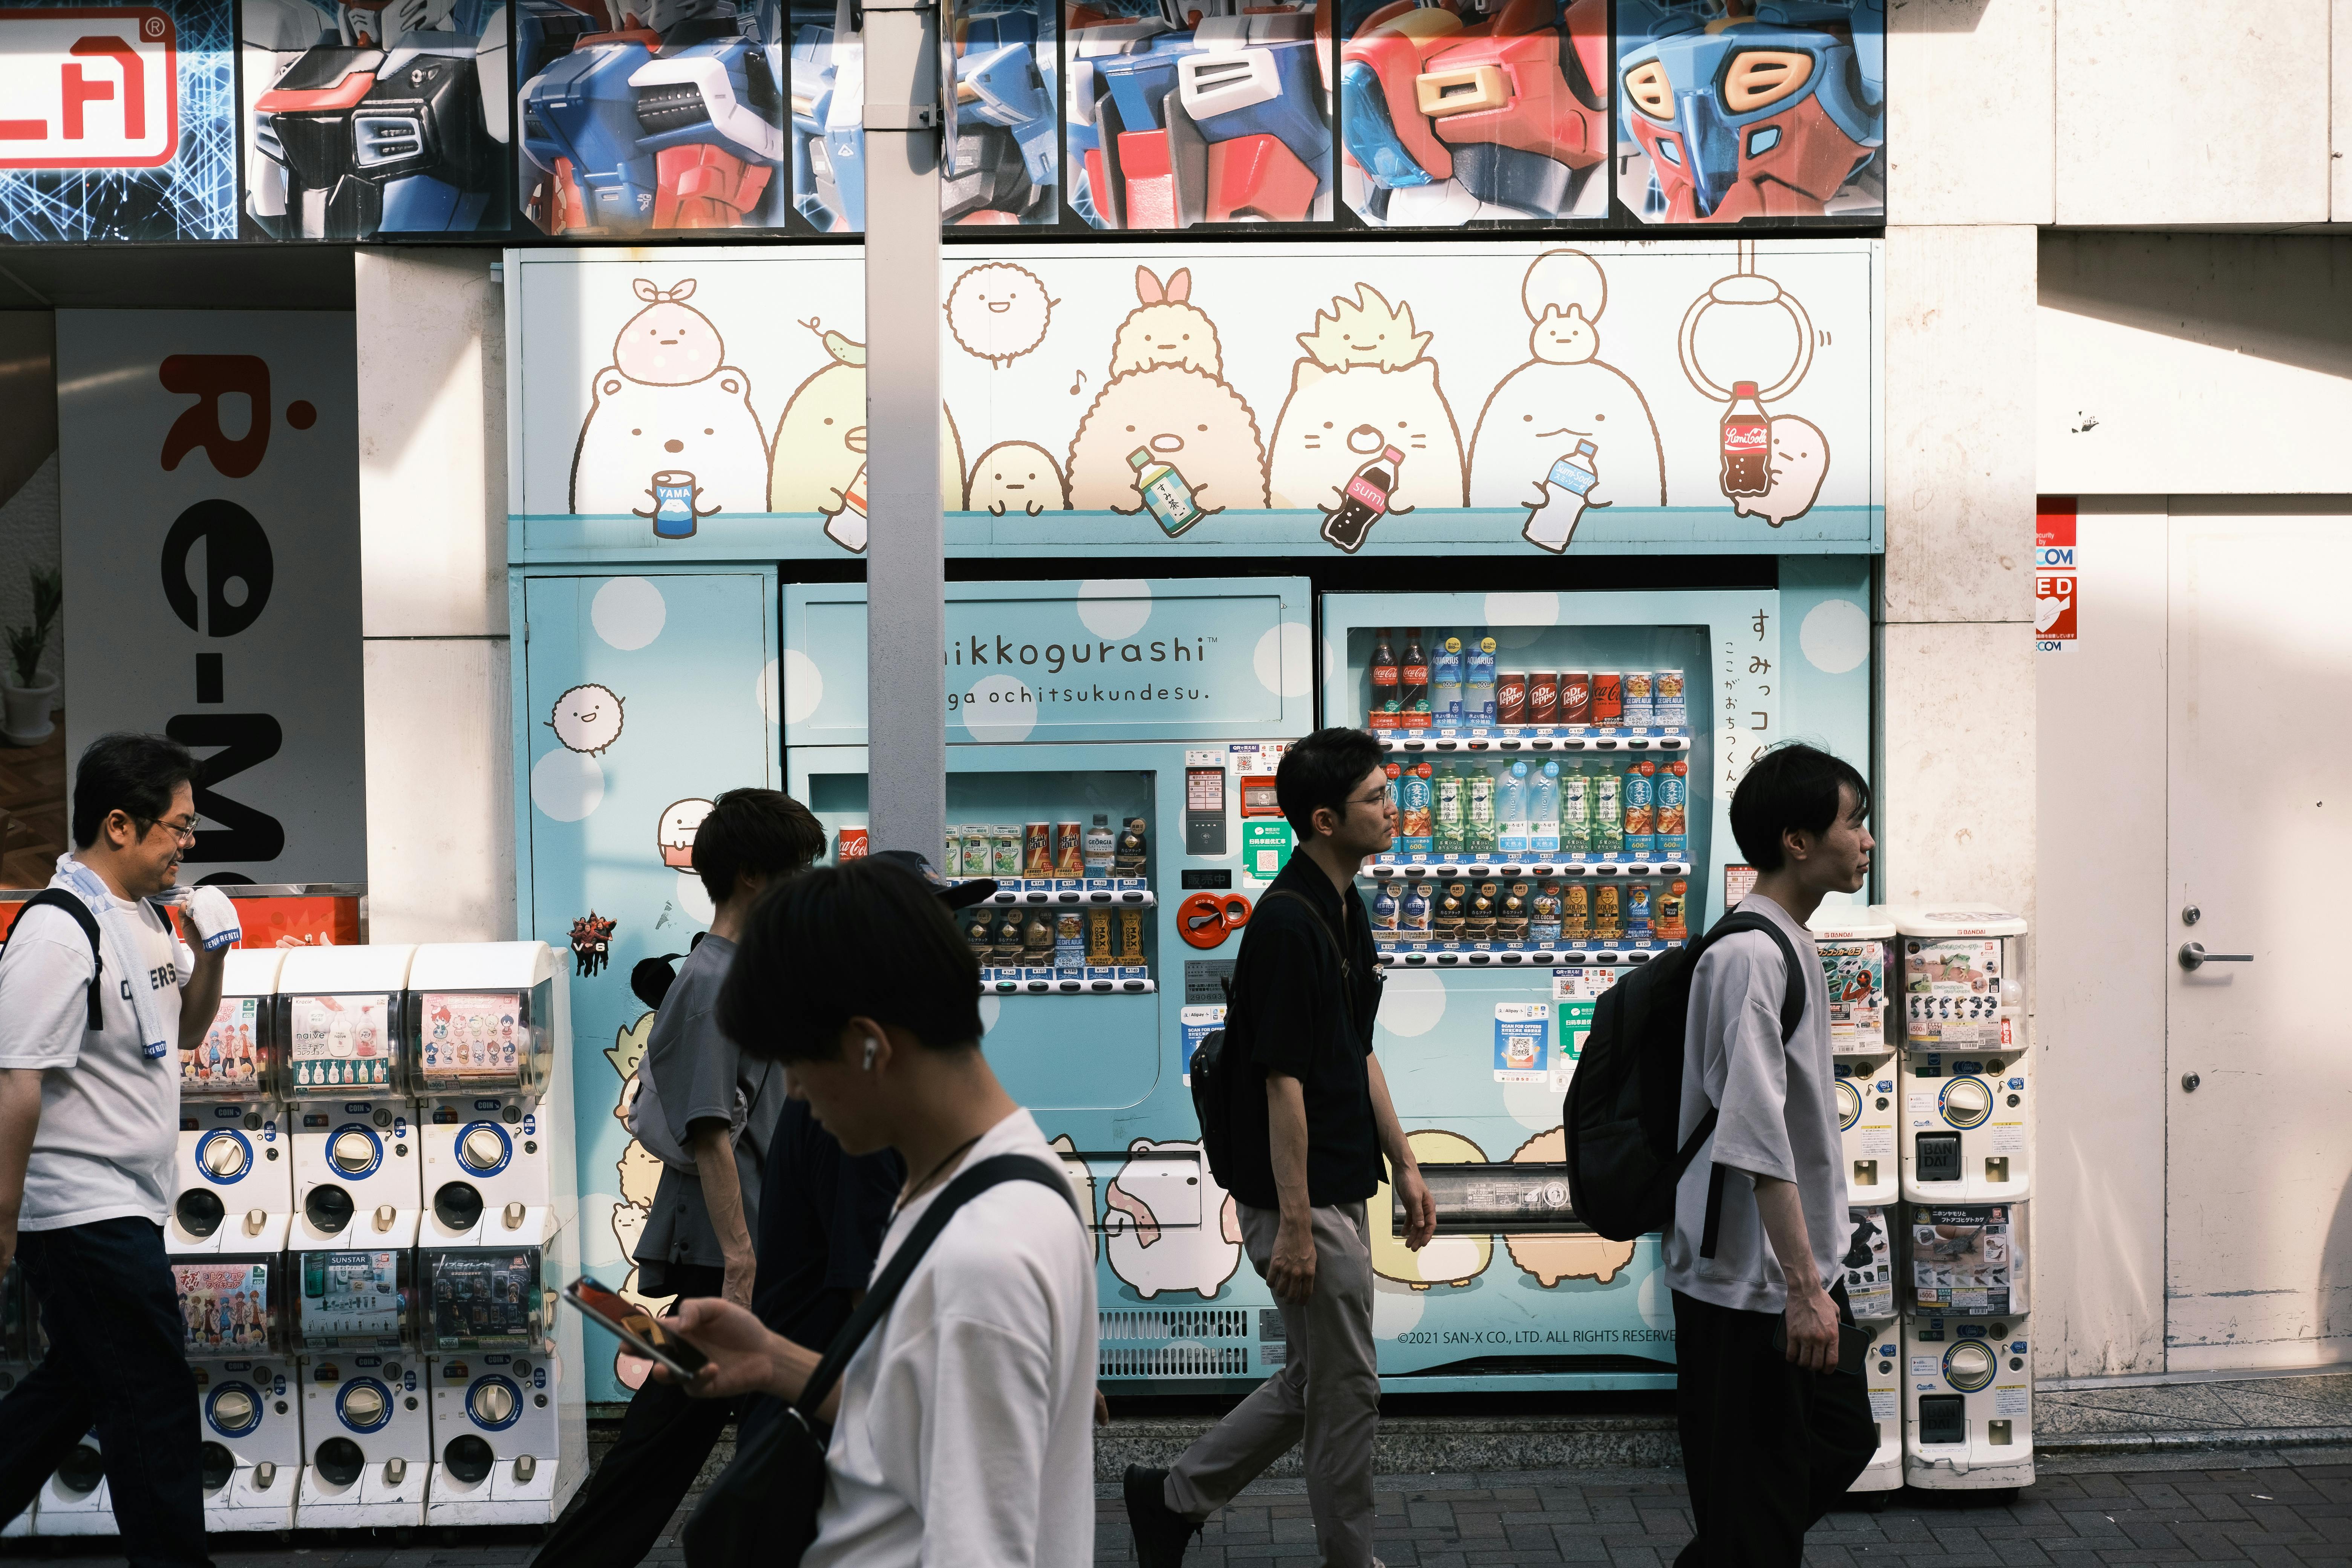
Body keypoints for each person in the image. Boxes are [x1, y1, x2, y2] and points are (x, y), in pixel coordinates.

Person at [666, 855, 1097, 1568]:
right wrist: (772, 1359)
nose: (796, 1094)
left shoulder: (980, 1257)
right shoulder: (987, 1179)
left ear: (869, 1046)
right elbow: (920, 1425)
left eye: (796, 1064)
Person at [1126, 726, 1436, 1568]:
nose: (1392, 809)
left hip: (1335, 1185)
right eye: (1377, 797)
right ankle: (1351, 1557)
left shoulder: (1345, 907)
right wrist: (1295, 1225)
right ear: (1326, 819)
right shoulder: (1288, 926)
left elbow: (1357, 1047)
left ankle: (1171, 1497)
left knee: (1314, 1383)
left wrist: (1405, 1161)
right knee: (1348, 1392)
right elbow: (1281, 1083)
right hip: (1298, 1199)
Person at [531, 787, 822, 1568]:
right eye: (801, 866)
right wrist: (742, 1259)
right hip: (728, 1249)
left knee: (687, 1436)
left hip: (745, 1242)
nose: (810, 880)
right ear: (756, 875)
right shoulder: (709, 983)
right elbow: (709, 1130)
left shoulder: (740, 971)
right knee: (668, 1442)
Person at [0, 733, 232, 1568]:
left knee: (84, 1385)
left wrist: (212, 955)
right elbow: (16, 1079)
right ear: (119, 825)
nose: (189, 841)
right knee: (154, 1402)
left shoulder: (145, 919)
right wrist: (4, 1220)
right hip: (79, 1208)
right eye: (176, 825)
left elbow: (191, 1030)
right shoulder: (58, 932)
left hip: (130, 1201)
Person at [1667, 742, 1879, 1566]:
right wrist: (1801, 1289)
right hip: (1750, 1284)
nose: (1865, 839)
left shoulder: (1786, 941)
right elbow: (1755, 1137)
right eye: (1852, 821)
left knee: (1838, 1437)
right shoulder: (1751, 955)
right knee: (1758, 1501)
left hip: (1787, 1272)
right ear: (1798, 840)